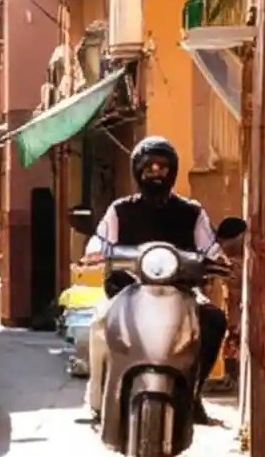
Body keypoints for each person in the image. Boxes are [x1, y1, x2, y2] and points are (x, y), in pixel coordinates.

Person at [78, 135, 228, 425]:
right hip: (128, 292)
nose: (157, 173)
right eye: (150, 167)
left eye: (163, 167)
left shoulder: (191, 212)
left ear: (173, 172)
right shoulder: (120, 210)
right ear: (138, 171)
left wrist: (218, 261)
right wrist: (95, 254)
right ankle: (97, 399)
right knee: (99, 324)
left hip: (181, 293)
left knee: (213, 320)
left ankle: (193, 393)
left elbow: (210, 248)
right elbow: (98, 243)